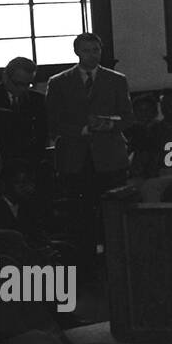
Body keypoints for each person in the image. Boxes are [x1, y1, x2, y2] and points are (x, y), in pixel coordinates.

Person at [45, 33, 133, 272]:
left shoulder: (116, 80)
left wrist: (108, 125)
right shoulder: (59, 82)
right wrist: (83, 129)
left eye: (96, 50)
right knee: (80, 213)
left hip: (109, 156)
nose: (92, 55)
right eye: (87, 50)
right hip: (75, 158)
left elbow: (127, 117)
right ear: (77, 52)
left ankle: (113, 258)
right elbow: (52, 121)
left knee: (112, 210)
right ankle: (84, 262)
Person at [0, 57, 48, 169]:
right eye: (18, 84)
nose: (23, 89)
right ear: (5, 77)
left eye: (28, 84)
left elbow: (42, 134)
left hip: (30, 164)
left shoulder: (37, 100)